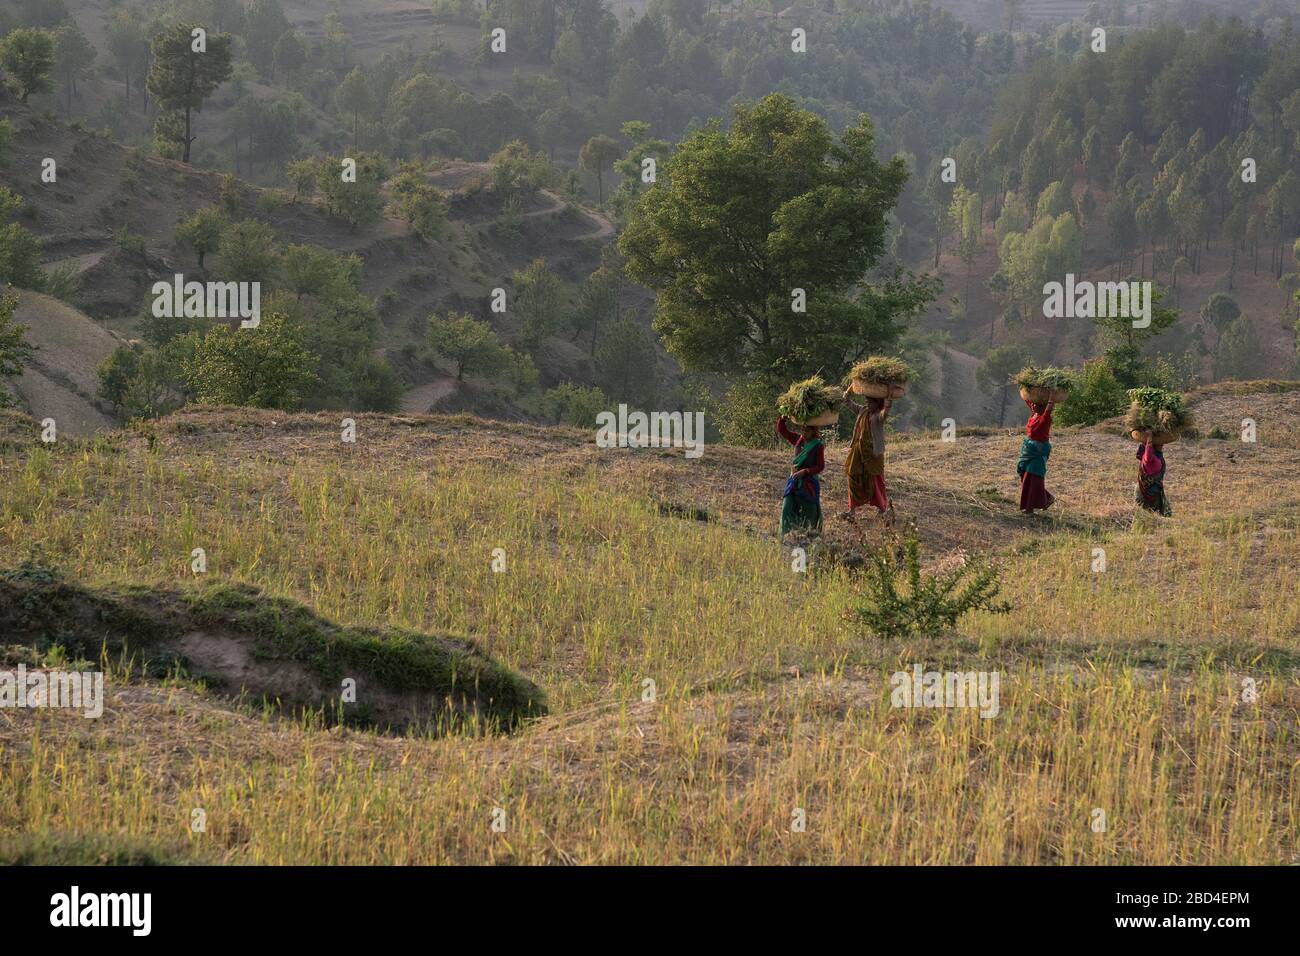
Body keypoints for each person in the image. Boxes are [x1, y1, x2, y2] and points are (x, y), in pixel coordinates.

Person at [843, 389, 892, 524]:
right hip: (858, 452)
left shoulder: (878, 417)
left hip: (873, 455)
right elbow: (847, 402)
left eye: (872, 403)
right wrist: (848, 391)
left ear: (878, 404)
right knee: (852, 476)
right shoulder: (862, 411)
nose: (869, 405)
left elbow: (886, 411)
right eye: (867, 402)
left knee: (876, 481)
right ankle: (851, 511)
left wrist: (890, 395)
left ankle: (882, 509)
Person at [777, 414, 825, 536]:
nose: (803, 432)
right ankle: (788, 534)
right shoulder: (798, 440)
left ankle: (809, 534)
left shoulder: (817, 446)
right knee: (787, 505)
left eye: (807, 430)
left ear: (813, 431)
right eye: (802, 429)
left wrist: (805, 472)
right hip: (794, 480)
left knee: (809, 509)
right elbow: (782, 430)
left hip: (808, 481)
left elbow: (820, 466)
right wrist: (783, 419)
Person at [1017, 398, 1055, 513]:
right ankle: (1047, 498)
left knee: (1034, 477)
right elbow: (1027, 399)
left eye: (1036, 404)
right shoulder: (1034, 414)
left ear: (1042, 407)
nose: (1032, 406)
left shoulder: (1045, 418)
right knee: (1025, 476)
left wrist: (1052, 395)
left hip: (1039, 452)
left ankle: (1030, 508)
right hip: (1028, 451)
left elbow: (1049, 407)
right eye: (1032, 404)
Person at [1135, 430, 1172, 516]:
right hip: (1146, 493)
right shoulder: (1149, 459)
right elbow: (1148, 451)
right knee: (1148, 515)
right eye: (1159, 443)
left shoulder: (1158, 455)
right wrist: (1149, 438)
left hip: (1155, 490)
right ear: (1154, 446)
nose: (1162, 445)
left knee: (1165, 513)